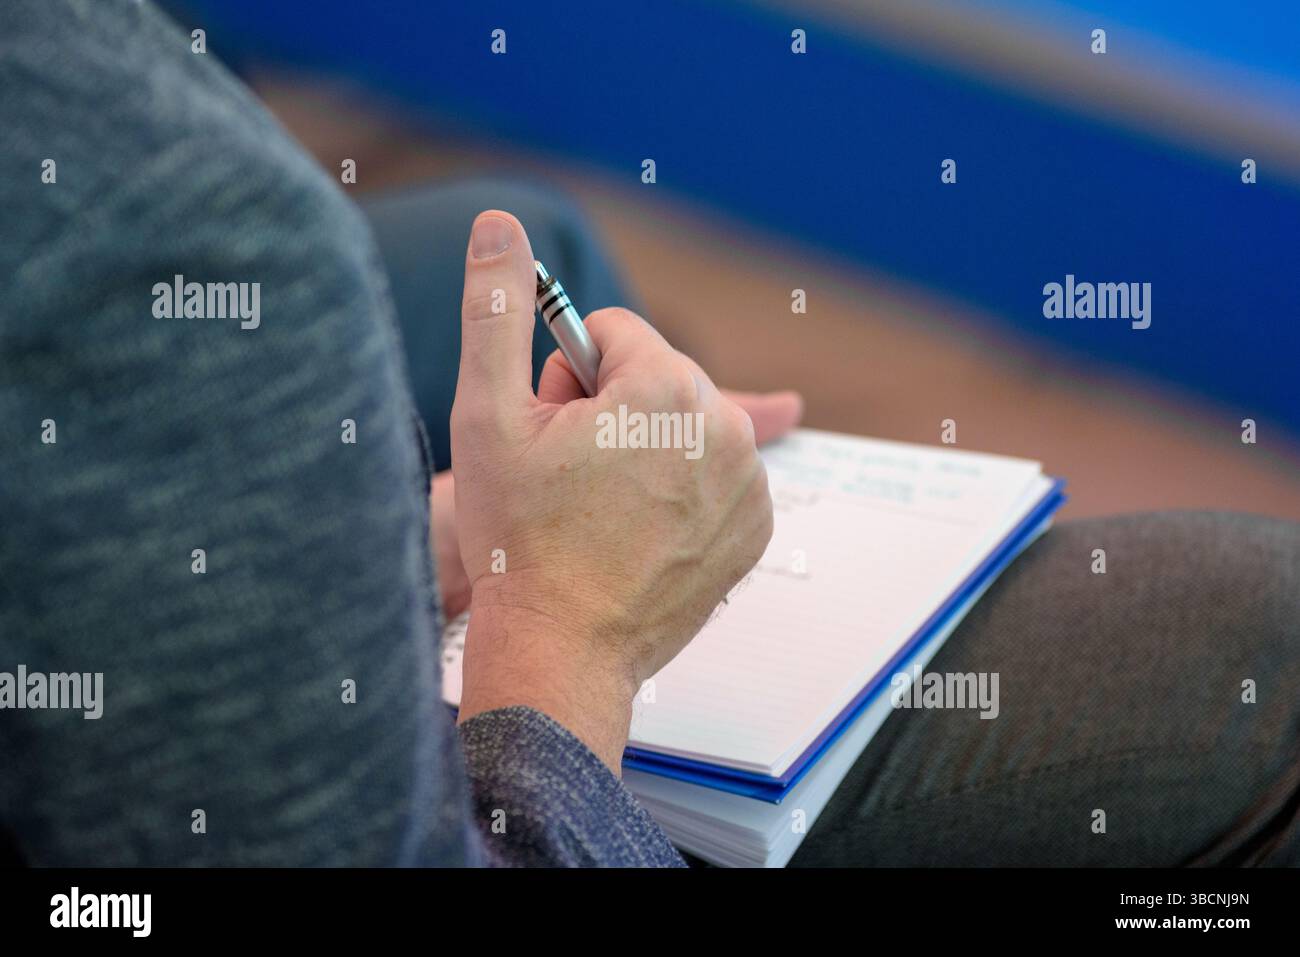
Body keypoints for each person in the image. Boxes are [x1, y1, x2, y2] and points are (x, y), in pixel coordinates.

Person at [2, 0, 1296, 868]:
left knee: (531, 233)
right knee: (1264, 633)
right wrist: (568, 623)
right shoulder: (172, 233)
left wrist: (384, 528)